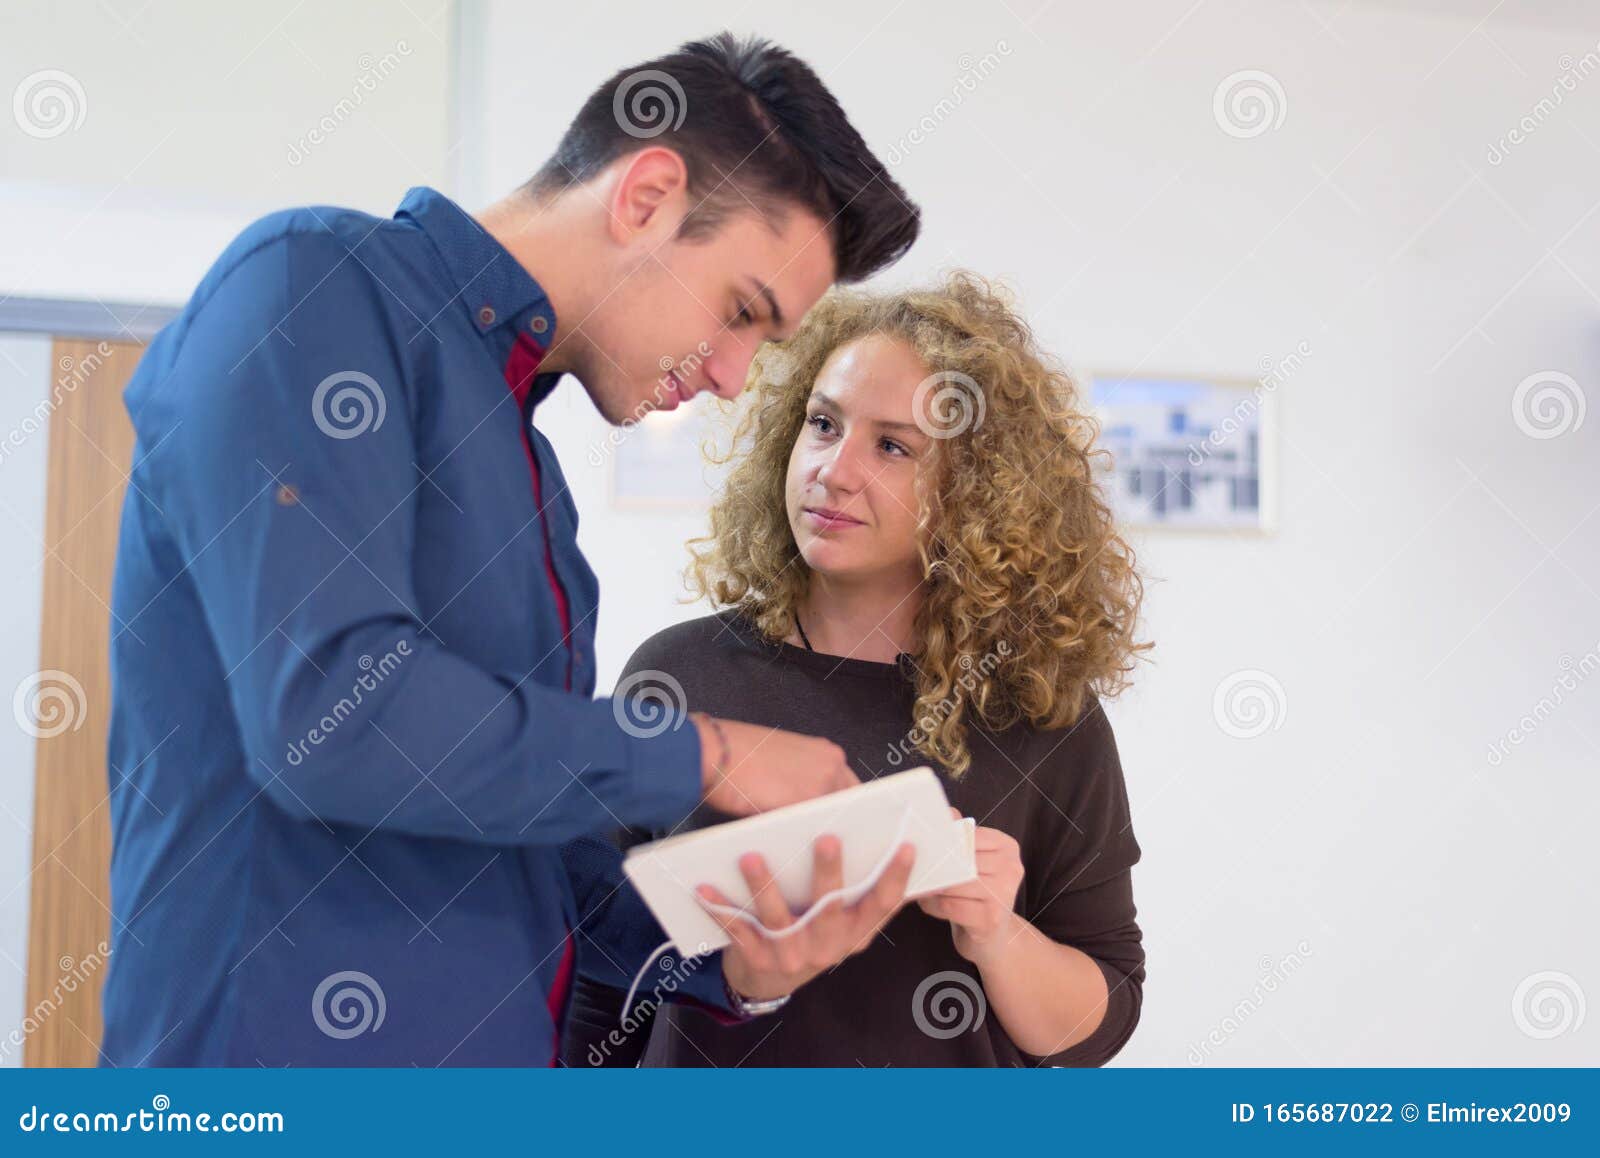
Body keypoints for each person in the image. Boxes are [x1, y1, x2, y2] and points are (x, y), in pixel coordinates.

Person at [100, 32, 921, 1066]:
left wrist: (735, 963)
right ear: (647, 196)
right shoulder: (314, 284)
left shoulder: (534, 491)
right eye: (742, 312)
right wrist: (710, 754)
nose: (733, 375)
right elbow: (328, 715)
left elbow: (541, 871)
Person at [566, 273, 1149, 1067]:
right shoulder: (677, 675)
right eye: (823, 424)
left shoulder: (1042, 713)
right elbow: (595, 978)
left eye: (892, 446)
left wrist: (999, 935)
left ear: (975, 493)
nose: (834, 470)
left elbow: (1097, 1023)